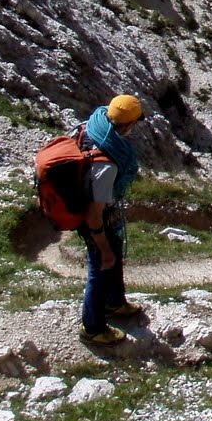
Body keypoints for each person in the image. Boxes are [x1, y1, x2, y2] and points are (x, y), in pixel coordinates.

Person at [78, 93, 145, 346]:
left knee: (114, 256)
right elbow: (93, 215)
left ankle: (115, 302)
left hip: (101, 212)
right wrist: (102, 245)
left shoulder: (92, 126)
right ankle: (93, 327)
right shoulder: (107, 166)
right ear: (127, 125)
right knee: (100, 266)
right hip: (98, 220)